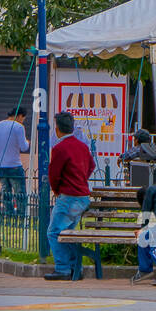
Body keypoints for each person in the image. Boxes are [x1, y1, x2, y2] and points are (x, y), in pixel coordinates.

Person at [45, 111, 95, 282]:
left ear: (57, 128)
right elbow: (92, 165)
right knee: (68, 232)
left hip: (69, 196)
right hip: (83, 197)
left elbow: (54, 174)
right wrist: (81, 179)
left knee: (53, 232)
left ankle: (63, 268)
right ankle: (75, 268)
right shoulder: (82, 146)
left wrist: (57, 190)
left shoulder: (59, 148)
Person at [0, 108, 30, 216]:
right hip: (14, 165)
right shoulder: (19, 127)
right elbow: (24, 147)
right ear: (20, 116)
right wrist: (28, 142)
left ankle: (9, 213)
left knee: (6, 192)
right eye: (23, 118)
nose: (23, 121)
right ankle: (22, 215)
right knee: (19, 192)